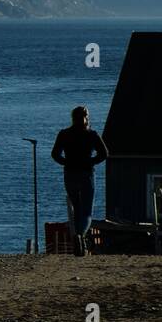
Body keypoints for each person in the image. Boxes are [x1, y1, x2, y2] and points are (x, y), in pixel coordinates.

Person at [51, 106, 108, 256]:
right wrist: (91, 161)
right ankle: (80, 235)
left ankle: (78, 240)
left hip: (70, 174)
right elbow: (104, 153)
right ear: (87, 117)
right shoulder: (91, 135)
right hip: (86, 174)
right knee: (87, 211)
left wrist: (67, 162)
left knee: (77, 208)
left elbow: (55, 154)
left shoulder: (64, 134)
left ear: (72, 118)